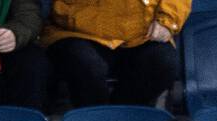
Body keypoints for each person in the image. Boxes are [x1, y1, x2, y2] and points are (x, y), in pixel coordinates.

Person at [42, 0, 188, 108]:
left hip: (141, 33)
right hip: (77, 29)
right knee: (86, 66)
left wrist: (168, 20)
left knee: (163, 62)